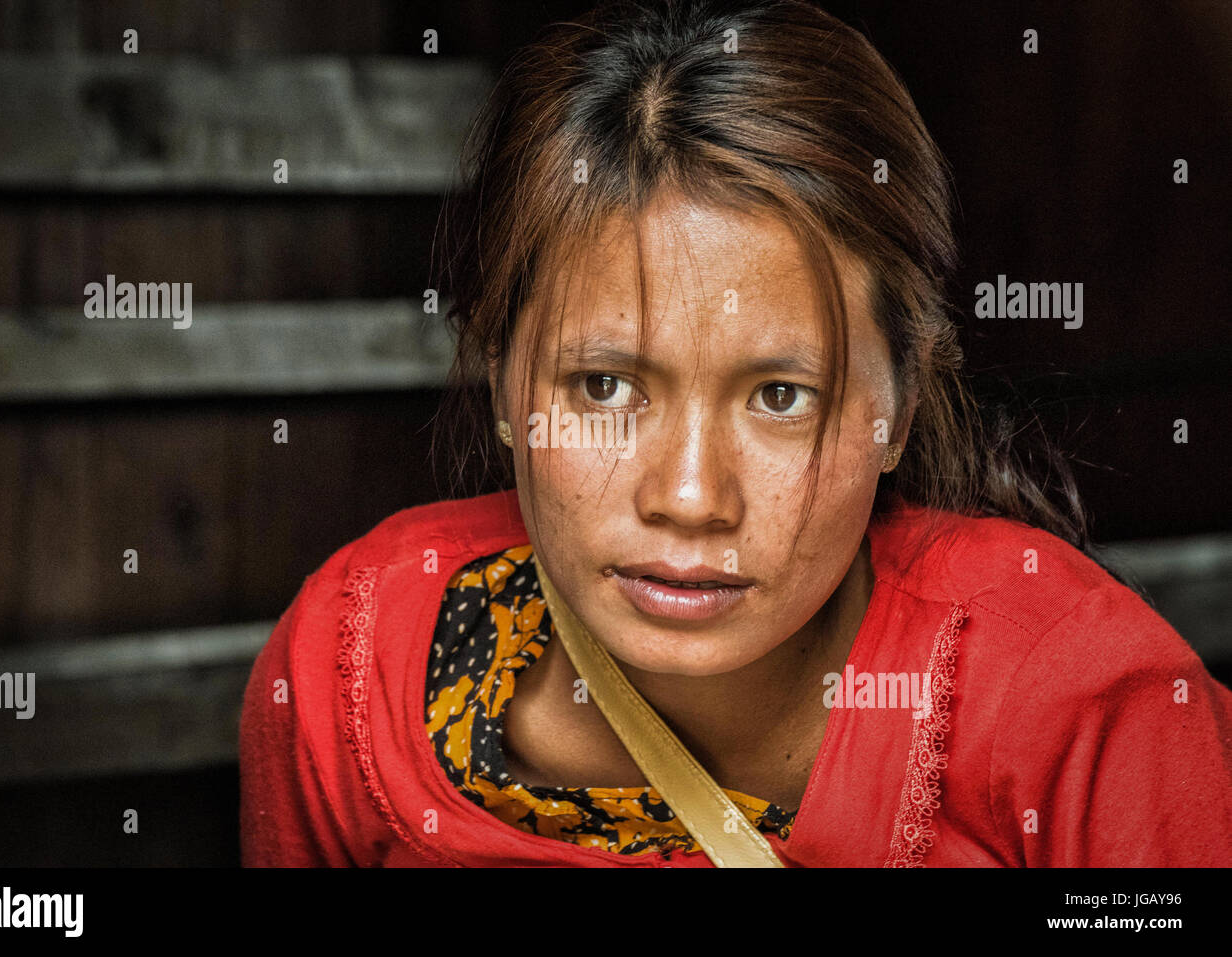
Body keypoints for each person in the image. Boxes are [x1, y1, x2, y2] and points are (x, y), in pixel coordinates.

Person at [239, 0, 1232, 866]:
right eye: (603, 384)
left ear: (903, 404)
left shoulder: (1076, 700)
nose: (687, 496)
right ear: (502, 377)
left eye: (780, 397)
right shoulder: (351, 668)